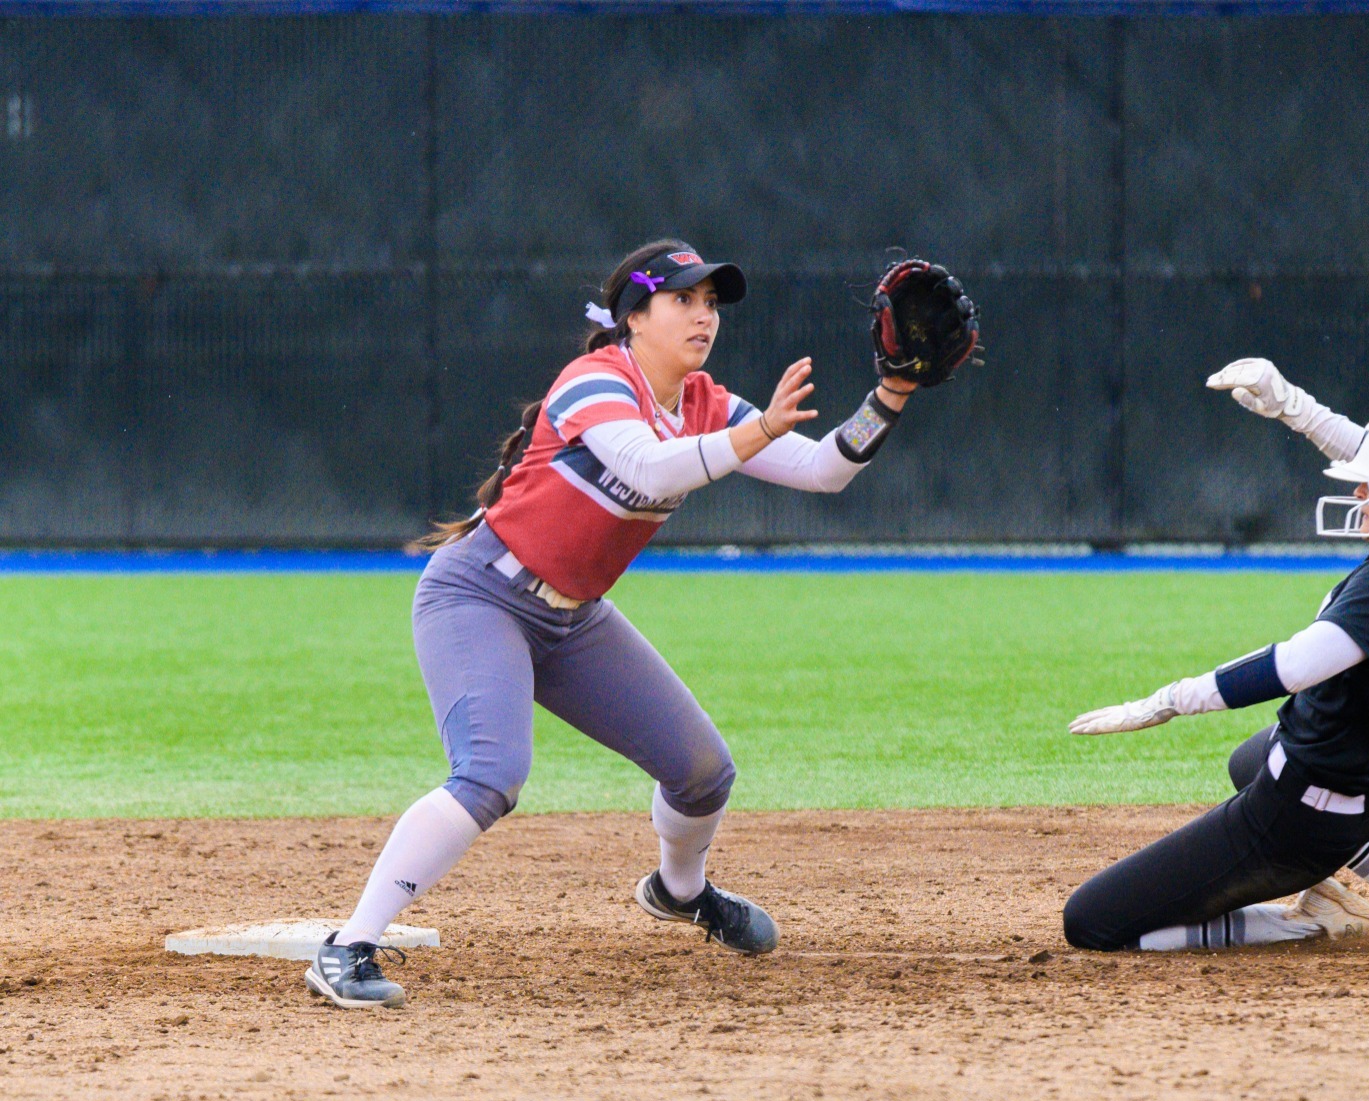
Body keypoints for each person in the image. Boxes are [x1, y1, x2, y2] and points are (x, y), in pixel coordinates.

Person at [307, 238, 929, 1008]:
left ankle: (680, 891)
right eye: (684, 300)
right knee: (492, 773)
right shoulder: (595, 381)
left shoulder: (704, 401)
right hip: (480, 596)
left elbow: (824, 470)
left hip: (574, 618)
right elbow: (650, 468)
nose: (704, 316)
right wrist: (756, 431)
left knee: (705, 772)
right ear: (634, 316)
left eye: (712, 303)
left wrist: (892, 394)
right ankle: (348, 944)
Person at [1062, 359, 1369, 952]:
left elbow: (1295, 667)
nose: (1359, 491)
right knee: (1248, 759)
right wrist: (1291, 404)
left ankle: (1306, 924)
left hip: (1303, 816)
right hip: (1367, 786)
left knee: (1090, 923)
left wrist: (1169, 700)